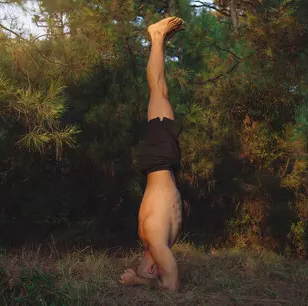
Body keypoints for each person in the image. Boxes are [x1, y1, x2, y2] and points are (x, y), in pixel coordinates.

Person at [118, 16, 184, 292]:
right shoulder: (158, 241)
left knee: (159, 89)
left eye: (144, 269)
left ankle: (158, 39)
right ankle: (157, 38)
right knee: (159, 89)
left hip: (159, 162)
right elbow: (169, 285)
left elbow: (170, 287)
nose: (144, 268)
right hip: (161, 161)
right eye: (146, 271)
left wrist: (137, 280)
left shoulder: (154, 240)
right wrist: (141, 280)